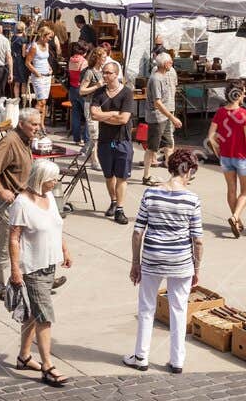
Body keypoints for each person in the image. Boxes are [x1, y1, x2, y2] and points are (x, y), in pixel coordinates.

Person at [124, 147, 205, 374]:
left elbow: (138, 231)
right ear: (188, 171)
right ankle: (177, 360)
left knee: (147, 308)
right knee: (179, 309)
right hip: (181, 261)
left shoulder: (151, 194)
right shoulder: (192, 199)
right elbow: (197, 239)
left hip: (152, 258)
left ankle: (141, 355)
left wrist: (135, 262)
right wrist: (196, 267)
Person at [6, 158, 71, 389]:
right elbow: (13, 238)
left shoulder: (50, 197)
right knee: (45, 315)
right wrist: (15, 269)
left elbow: (56, 225)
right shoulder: (21, 204)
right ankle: (47, 365)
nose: (56, 182)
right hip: (32, 267)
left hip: (49, 264)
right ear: (41, 179)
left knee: (34, 313)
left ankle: (24, 357)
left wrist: (63, 249)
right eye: (53, 178)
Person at [0, 108, 48, 298]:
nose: (37, 128)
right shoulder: (10, 141)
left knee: (29, 240)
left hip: (23, 200)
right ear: (22, 124)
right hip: (8, 202)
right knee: (6, 243)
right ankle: (2, 288)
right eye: (34, 124)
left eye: (39, 123)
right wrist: (2, 190)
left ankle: (35, 281)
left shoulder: (25, 139)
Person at [207, 79, 246, 238]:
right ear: (239, 95)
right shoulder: (244, 114)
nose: (245, 94)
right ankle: (235, 216)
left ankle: (236, 220)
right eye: (243, 91)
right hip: (242, 157)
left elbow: (210, 137)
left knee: (231, 189)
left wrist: (217, 151)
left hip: (225, 157)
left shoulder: (220, 112)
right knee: (245, 191)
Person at [86, 59, 136, 225]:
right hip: (105, 140)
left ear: (117, 74)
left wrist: (105, 115)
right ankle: (113, 201)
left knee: (121, 177)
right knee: (109, 176)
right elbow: (93, 115)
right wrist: (113, 113)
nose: (105, 75)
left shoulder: (127, 93)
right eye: (103, 72)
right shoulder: (99, 93)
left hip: (122, 140)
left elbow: (124, 119)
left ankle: (120, 209)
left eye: (108, 72)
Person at [140, 51, 181, 187]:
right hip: (157, 117)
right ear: (164, 64)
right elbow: (157, 102)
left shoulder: (165, 75)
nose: (171, 64)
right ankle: (146, 176)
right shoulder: (156, 78)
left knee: (169, 145)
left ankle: (174, 175)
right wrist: (172, 117)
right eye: (169, 62)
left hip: (166, 115)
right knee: (152, 148)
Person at [24, 27, 55, 109]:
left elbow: (45, 59)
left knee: (44, 102)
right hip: (39, 76)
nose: (50, 39)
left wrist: (49, 67)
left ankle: (41, 122)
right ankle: (35, 120)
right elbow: (27, 63)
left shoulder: (47, 45)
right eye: (49, 37)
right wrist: (36, 72)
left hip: (47, 76)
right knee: (41, 101)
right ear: (43, 36)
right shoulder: (34, 47)